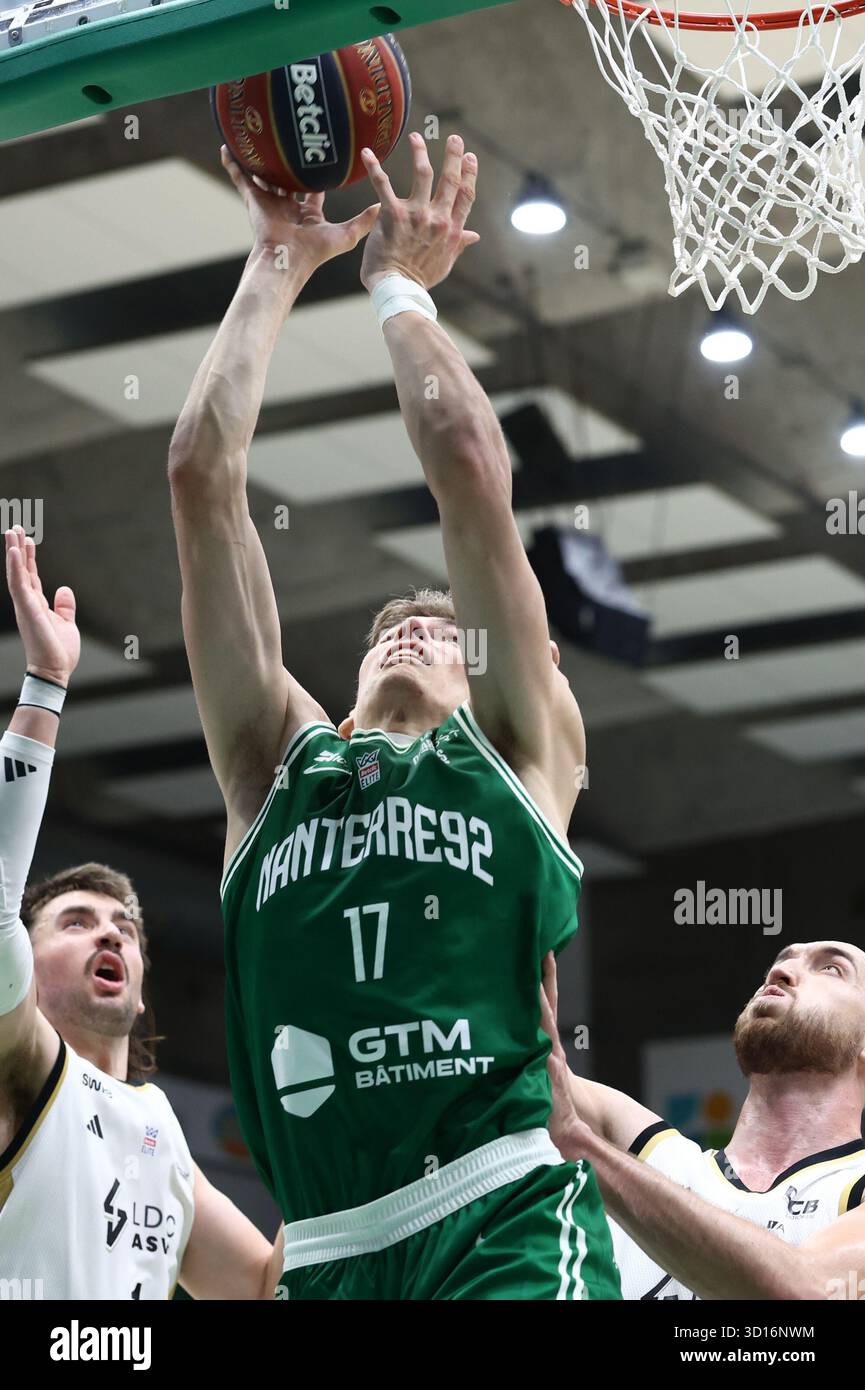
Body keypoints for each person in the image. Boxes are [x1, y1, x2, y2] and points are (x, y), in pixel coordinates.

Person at [166, 134, 620, 1300]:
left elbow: (469, 458)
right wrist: (275, 259)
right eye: (383, 630)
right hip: (324, 1246)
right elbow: (200, 477)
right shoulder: (276, 773)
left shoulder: (514, 750)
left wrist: (397, 287)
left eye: (437, 631)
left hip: (499, 1211)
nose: (409, 631)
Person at [0, 526, 284, 1300]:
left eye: (124, 927)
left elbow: (264, 1288)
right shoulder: (21, 1069)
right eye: (77, 920)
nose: (110, 931)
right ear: (21, 961)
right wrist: (46, 686)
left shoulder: (157, 1133)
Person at [541, 943, 865, 1299]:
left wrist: (584, 1148)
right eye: (781, 961)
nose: (780, 973)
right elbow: (529, 1073)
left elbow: (810, 1292)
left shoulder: (854, 1188)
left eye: (831, 969)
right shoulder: (659, 1159)